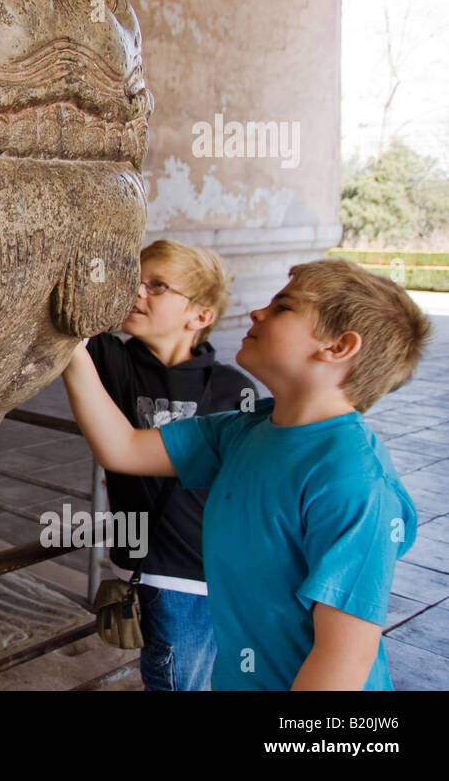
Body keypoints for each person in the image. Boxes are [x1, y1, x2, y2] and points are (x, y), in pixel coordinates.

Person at [63, 257, 430, 690]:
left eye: (283, 307)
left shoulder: (354, 482)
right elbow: (122, 448)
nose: (257, 312)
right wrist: (67, 343)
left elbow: (342, 663)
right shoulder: (246, 428)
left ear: (337, 346)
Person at [86, 240, 255, 691]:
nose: (137, 293)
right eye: (133, 282)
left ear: (200, 315)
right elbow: (70, 322)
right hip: (150, 566)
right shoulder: (112, 359)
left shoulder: (232, 389)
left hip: (210, 574)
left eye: (157, 286)